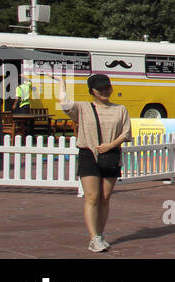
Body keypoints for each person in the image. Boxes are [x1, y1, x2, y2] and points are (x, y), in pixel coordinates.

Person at [52, 73, 130, 253]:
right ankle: (94, 237)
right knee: (92, 196)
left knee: (105, 197)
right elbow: (64, 102)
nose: (105, 91)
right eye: (100, 88)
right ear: (92, 91)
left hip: (111, 154)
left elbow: (126, 133)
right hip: (88, 153)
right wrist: (61, 83)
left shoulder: (120, 109)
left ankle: (100, 235)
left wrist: (110, 145)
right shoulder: (83, 108)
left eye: (107, 87)